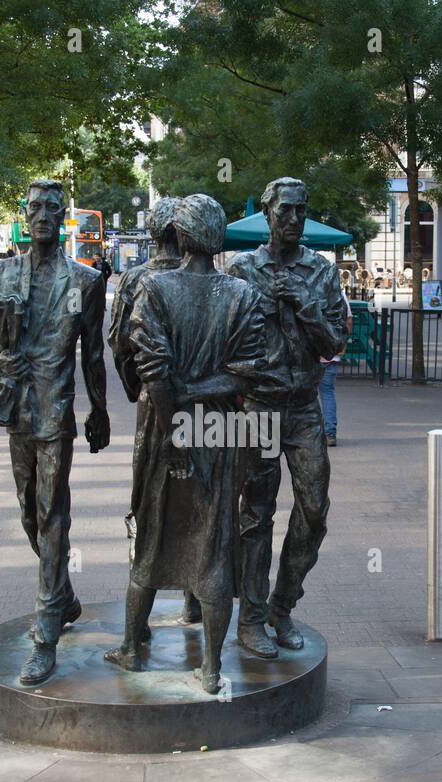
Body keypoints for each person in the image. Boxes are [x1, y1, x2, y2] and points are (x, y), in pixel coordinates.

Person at [103, 194, 267, 693]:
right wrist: (204, 394)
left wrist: (178, 420)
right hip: (219, 435)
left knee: (152, 536)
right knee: (214, 544)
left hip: (164, 435)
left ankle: (133, 647)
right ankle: (213, 668)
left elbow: (153, 375)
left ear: (180, 234)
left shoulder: (154, 288)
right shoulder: (243, 295)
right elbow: (246, 373)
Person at [0, 178, 109, 685]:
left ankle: (45, 627)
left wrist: (100, 409)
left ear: (64, 216)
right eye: (36, 206)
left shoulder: (86, 282)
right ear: (25, 214)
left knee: (53, 513)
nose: (44, 213)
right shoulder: (0, 274)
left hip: (57, 413)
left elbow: (93, 354)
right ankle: (66, 596)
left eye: (54, 206)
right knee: (29, 511)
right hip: (17, 412)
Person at [227, 176, 345, 658]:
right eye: (285, 211)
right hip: (257, 407)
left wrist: (305, 306)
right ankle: (251, 619)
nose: (294, 219)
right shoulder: (242, 269)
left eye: (301, 210)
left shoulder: (320, 271)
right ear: (269, 214)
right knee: (255, 515)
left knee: (314, 511)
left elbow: (335, 343)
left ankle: (283, 604)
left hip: (303, 409)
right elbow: (224, 340)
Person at [107, 196, 201, 625]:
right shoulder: (201, 280)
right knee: (198, 499)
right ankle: (194, 598)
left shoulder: (134, 280)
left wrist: (136, 389)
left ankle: (137, 620)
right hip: (201, 406)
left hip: (153, 405)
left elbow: (119, 344)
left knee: (148, 501)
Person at [318, 295, 354, 446]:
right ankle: (330, 433)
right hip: (331, 354)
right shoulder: (340, 295)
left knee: (304, 397)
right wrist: (340, 343)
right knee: (327, 394)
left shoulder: (309, 288)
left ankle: (306, 434)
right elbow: (349, 321)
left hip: (310, 354)